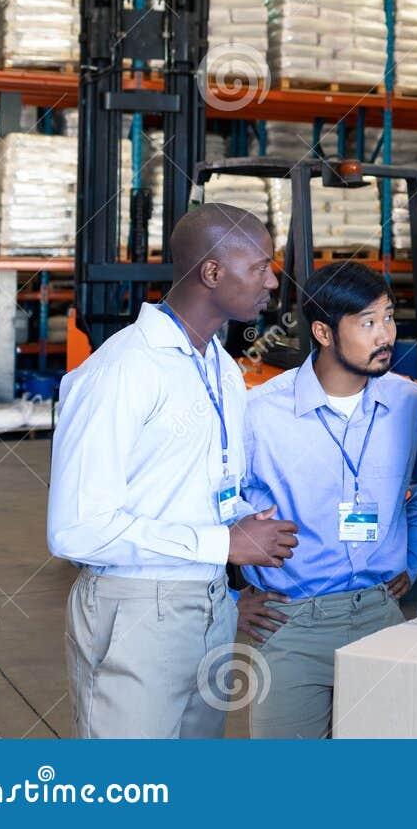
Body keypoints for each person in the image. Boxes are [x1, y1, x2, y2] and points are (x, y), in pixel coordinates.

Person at [48, 203, 299, 739]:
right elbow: (77, 528)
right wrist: (224, 544)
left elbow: (199, 494)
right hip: (137, 610)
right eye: (259, 268)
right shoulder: (123, 371)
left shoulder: (223, 367)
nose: (272, 282)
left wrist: (231, 589)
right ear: (212, 273)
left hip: (207, 605)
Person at [235, 261, 417, 739]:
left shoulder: (408, 403)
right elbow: (217, 507)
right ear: (324, 331)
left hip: (382, 614)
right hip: (290, 625)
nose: (385, 334)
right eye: (367, 323)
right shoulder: (261, 414)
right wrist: (229, 600)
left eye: (389, 317)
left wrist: (413, 559)